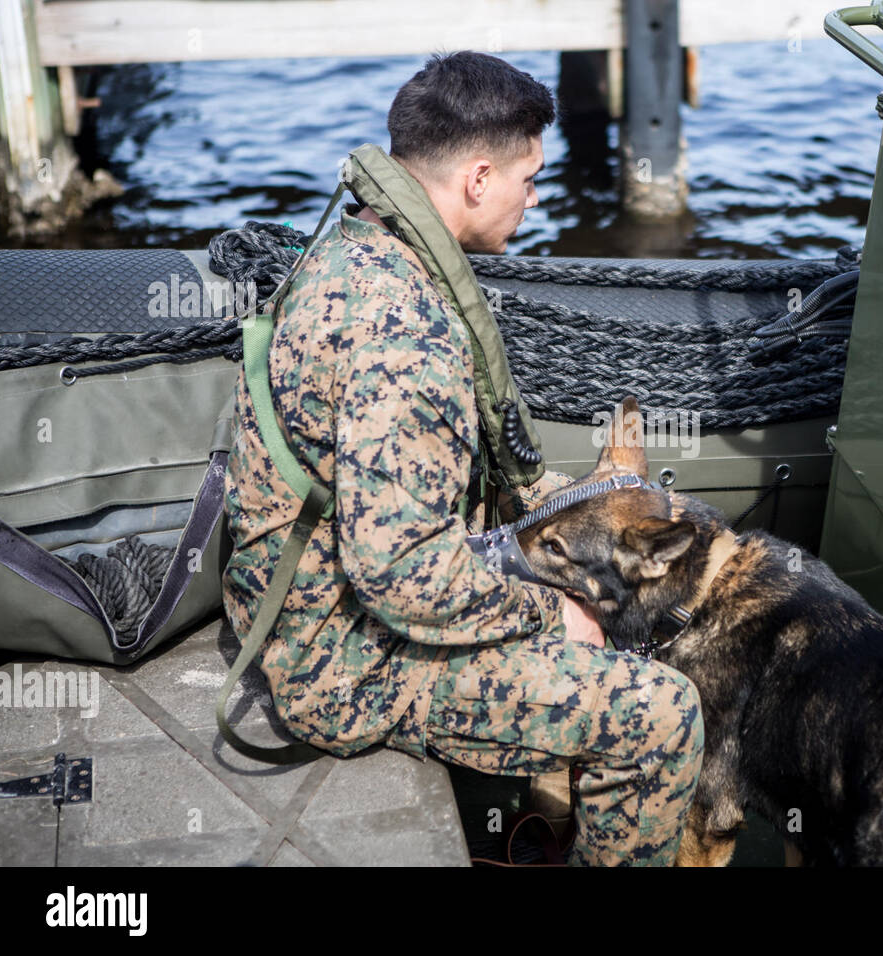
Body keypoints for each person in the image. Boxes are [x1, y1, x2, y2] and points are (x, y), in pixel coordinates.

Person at [221, 51, 704, 866]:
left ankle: (540, 820)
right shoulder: (404, 336)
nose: (538, 197)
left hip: (311, 603)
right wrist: (555, 615)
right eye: (530, 179)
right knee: (662, 714)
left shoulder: (360, 245)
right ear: (479, 178)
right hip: (342, 664)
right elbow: (401, 575)